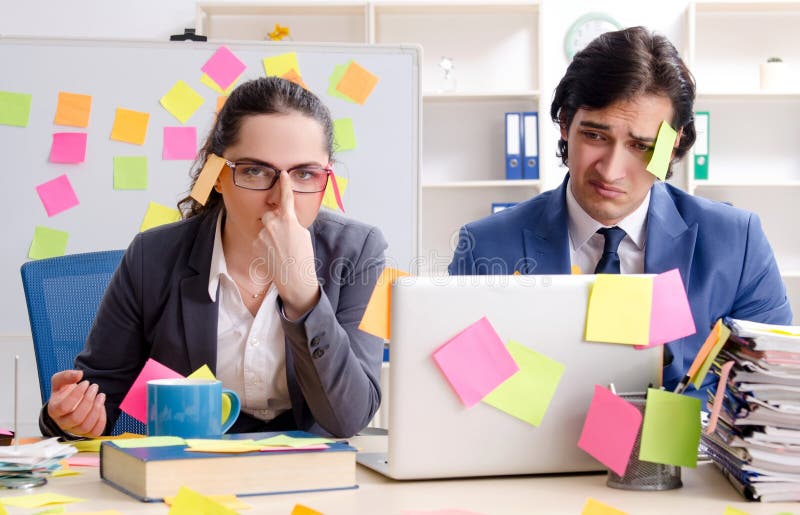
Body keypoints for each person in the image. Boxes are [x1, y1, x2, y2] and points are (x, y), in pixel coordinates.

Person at [449, 26, 792, 398]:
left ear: (672, 145)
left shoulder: (736, 243)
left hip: (685, 456)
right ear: (565, 124)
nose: (611, 171)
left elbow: (767, 396)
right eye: (595, 136)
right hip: (530, 455)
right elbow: (462, 394)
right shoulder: (484, 246)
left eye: (641, 146)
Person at [40, 77, 387, 438]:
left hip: (311, 474)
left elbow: (349, 418)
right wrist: (66, 417)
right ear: (217, 175)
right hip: (190, 472)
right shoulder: (152, 257)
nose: (281, 199)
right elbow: (98, 398)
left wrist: (303, 296)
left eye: (304, 174)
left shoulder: (359, 253)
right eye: (255, 171)